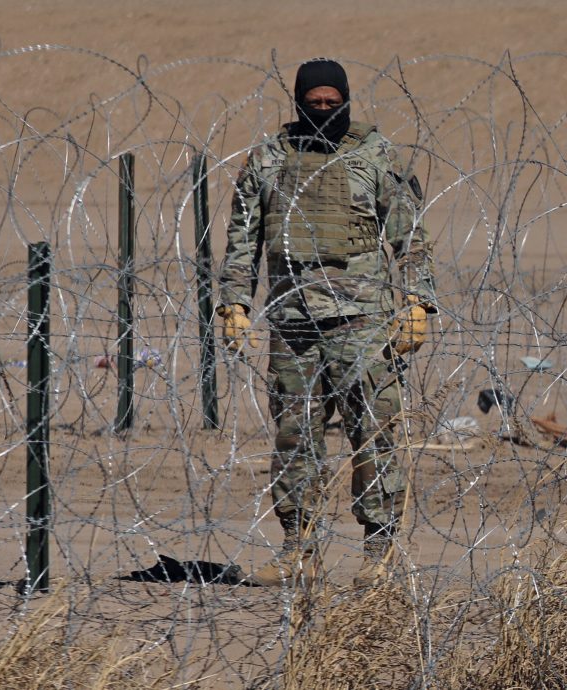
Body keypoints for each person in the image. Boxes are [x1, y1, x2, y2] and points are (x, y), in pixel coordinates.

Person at [217, 58, 436, 587]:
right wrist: (234, 303)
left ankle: (379, 553)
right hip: (294, 323)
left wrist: (418, 303)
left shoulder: (373, 154)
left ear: (345, 101)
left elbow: (410, 233)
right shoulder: (268, 159)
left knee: (376, 435)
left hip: (364, 322)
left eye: (331, 103)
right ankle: (298, 550)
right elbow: (242, 238)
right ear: (298, 103)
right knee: (296, 438)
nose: (322, 111)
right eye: (312, 103)